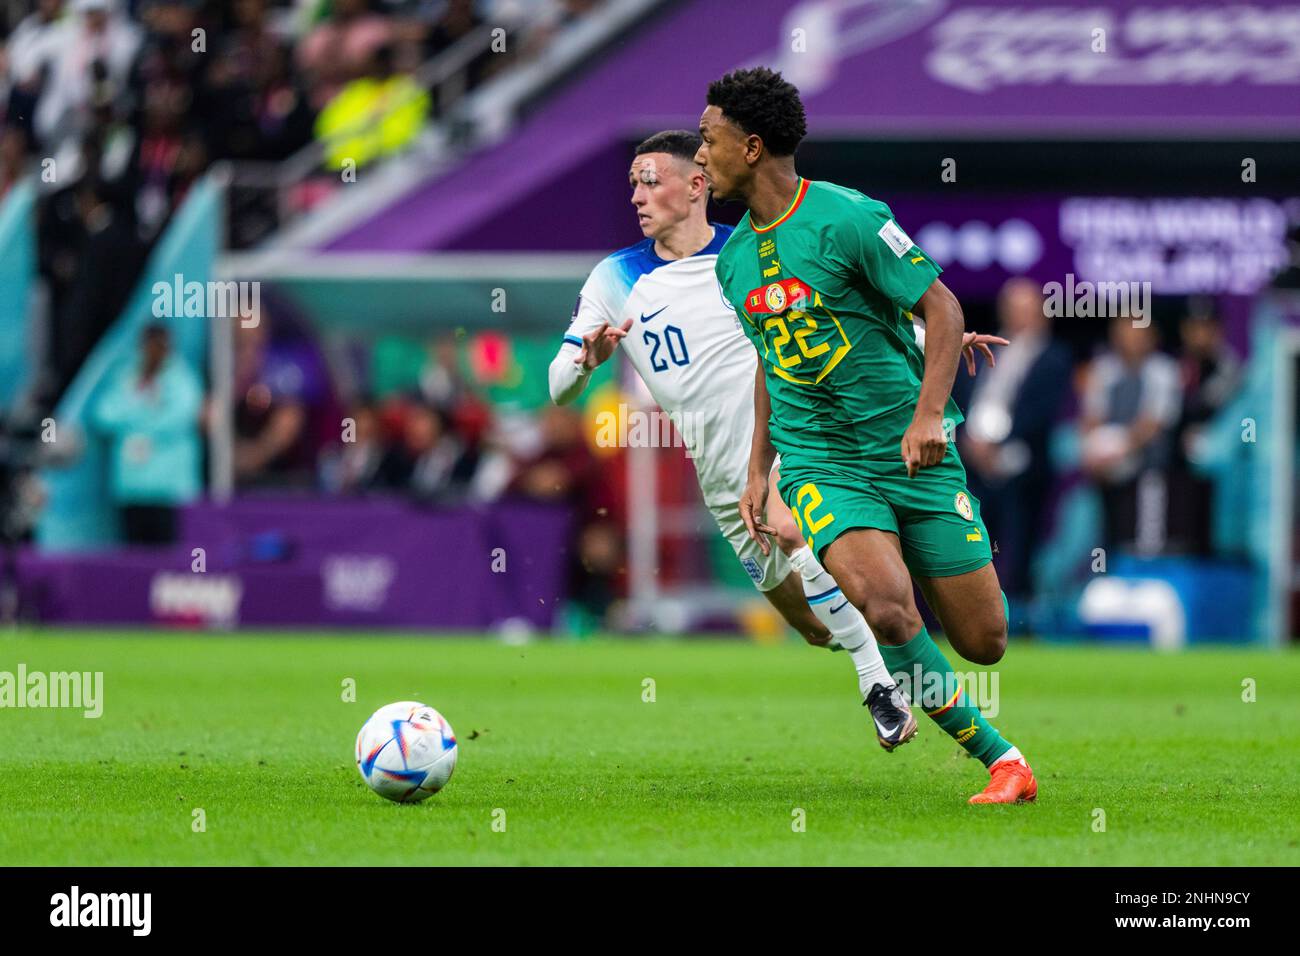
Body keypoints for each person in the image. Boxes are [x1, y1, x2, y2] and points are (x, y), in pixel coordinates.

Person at [548, 129, 1006, 753]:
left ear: (696, 185)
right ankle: (881, 640)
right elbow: (556, 387)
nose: (637, 195)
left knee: (801, 536)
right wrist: (588, 360)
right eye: (632, 182)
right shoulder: (615, 276)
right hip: (720, 479)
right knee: (811, 624)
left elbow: (837, 318)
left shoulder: (746, 254)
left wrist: (929, 341)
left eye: (650, 179)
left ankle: (884, 683)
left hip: (796, 447)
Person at [699, 67, 1036, 803]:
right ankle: (1004, 761)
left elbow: (941, 309)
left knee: (984, 641)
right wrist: (760, 468)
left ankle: (938, 629)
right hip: (823, 462)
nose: (700, 156)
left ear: (752, 147)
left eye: (708, 138)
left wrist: (926, 414)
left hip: (913, 454)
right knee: (885, 607)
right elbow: (770, 358)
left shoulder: (850, 218)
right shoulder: (731, 263)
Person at [961, 277, 1072, 610]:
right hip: (974, 463)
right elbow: (962, 397)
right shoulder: (980, 349)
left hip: (1023, 468)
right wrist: (969, 439)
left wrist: (999, 442)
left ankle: (1019, 614)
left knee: (1020, 544)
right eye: (1012, 309)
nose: (1019, 316)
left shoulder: (1054, 357)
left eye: (1026, 309)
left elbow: (1042, 412)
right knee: (976, 542)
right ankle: (973, 612)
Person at [90, 323, 202, 545]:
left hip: (169, 488)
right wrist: (144, 405)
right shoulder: (127, 375)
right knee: (134, 554)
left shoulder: (181, 377)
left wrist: (136, 419)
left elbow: (181, 417)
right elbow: (103, 415)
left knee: (167, 553)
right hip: (132, 486)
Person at [1080, 315, 1183, 555]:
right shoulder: (1103, 369)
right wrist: (1097, 452)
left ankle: (1142, 574)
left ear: (1150, 338)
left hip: (1149, 466)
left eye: (1137, 338)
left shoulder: (1164, 371)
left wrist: (1120, 450)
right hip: (1107, 469)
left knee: (1144, 537)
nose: (1131, 344)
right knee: (1103, 530)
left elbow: (1155, 422)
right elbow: (1092, 418)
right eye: (1124, 337)